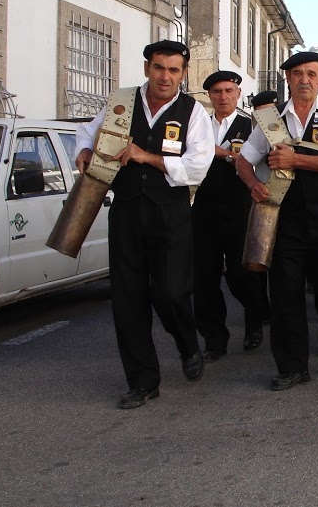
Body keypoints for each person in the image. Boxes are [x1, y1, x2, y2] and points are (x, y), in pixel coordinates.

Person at [76, 40, 214, 409]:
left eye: (173, 70)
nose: (165, 76)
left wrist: (146, 157)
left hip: (170, 214)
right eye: (158, 67)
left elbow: (197, 166)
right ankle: (142, 381)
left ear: (183, 74)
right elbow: (87, 131)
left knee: (171, 293)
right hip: (126, 212)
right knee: (127, 299)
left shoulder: (193, 112)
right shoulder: (120, 102)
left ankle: (187, 344)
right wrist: (85, 149)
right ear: (146, 68)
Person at [236, 51, 318, 391]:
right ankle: (292, 366)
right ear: (287, 79)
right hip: (286, 220)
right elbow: (244, 160)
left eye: (312, 74)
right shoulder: (270, 119)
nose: (305, 80)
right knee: (285, 294)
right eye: (298, 73)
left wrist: (296, 160)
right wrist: (253, 184)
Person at [192, 71, 270, 362]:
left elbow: (260, 163)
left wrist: (223, 154)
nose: (223, 97)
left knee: (242, 275)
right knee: (204, 278)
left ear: (238, 94)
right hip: (203, 210)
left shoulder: (251, 126)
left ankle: (255, 322)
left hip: (240, 210)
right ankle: (214, 339)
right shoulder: (198, 125)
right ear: (210, 96)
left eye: (228, 91)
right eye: (217, 92)